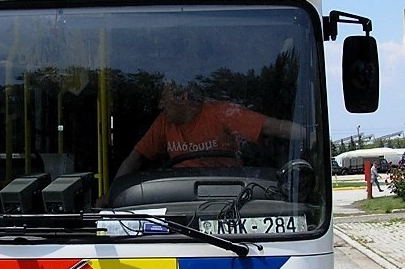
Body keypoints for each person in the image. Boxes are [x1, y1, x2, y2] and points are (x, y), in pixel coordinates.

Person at [99, 80, 308, 206]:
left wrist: (309, 136)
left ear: (183, 97)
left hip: (230, 197)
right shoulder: (164, 122)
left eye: (164, 98)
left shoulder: (221, 113)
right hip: (179, 201)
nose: (159, 104)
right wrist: (110, 196)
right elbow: (136, 158)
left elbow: (272, 127)